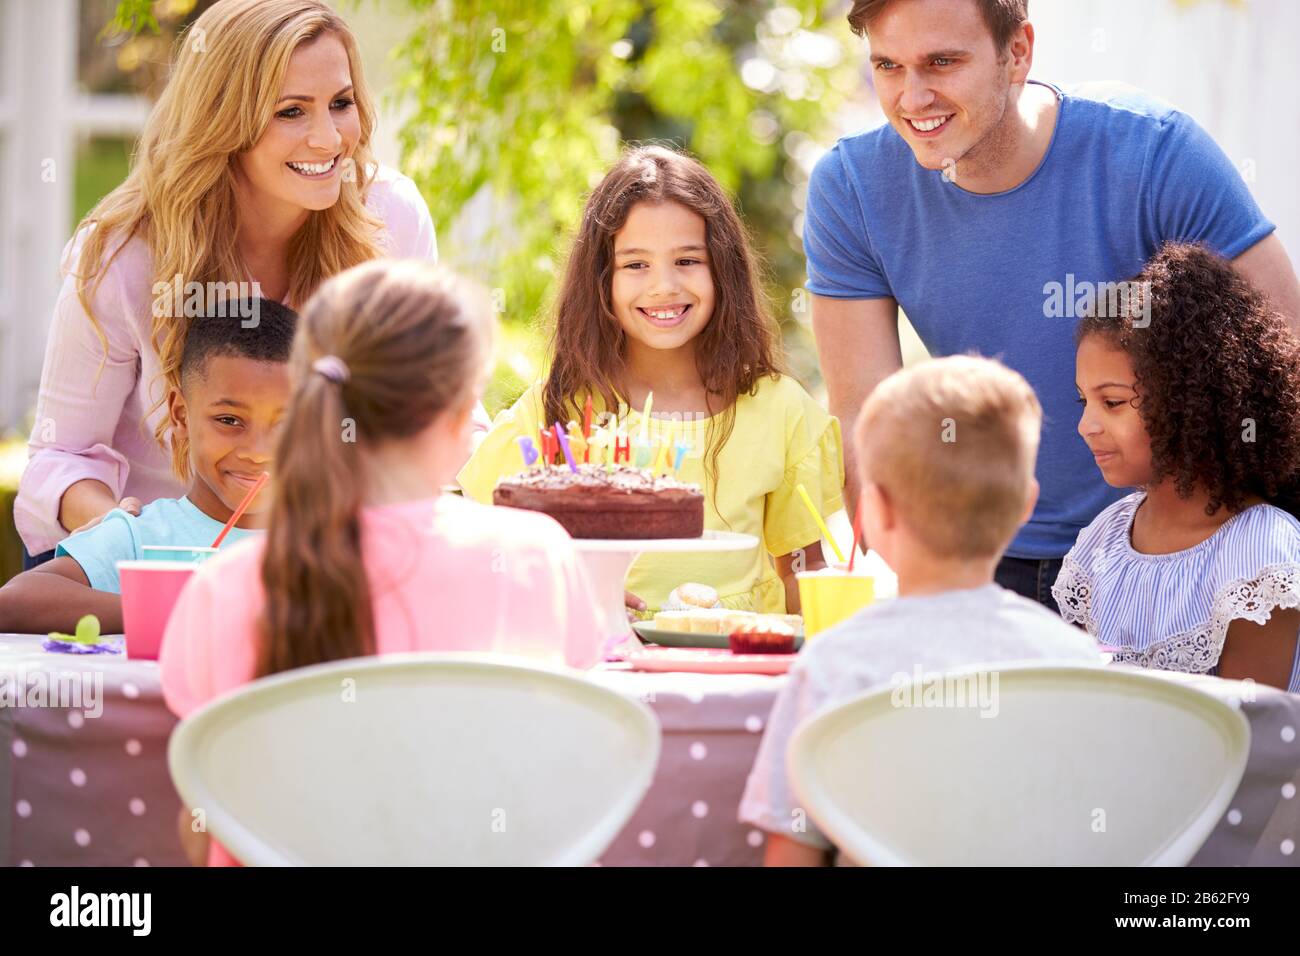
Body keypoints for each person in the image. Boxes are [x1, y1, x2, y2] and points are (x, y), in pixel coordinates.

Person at [807, 0, 1300, 609]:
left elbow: (1282, 352)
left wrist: (1228, 547)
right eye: (887, 64)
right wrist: (914, 575)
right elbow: (861, 409)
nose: (912, 98)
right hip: (980, 559)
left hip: (1171, 552)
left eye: (941, 62)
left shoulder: (1154, 152)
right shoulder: (851, 187)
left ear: (1016, 53)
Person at [12, 0, 487, 568]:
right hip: (151, 562)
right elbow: (61, 455)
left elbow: (442, 415)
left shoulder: (391, 218)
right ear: (224, 121)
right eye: (290, 112)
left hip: (311, 563)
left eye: (341, 104)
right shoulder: (124, 253)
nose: (327, 138)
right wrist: (134, 540)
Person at [160, 261, 606, 865]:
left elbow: (203, 821)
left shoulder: (224, 587)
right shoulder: (539, 557)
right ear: (459, 417)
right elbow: (565, 772)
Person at [739, 355, 1101, 866]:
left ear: (876, 511)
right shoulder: (1074, 659)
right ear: (1025, 505)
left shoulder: (835, 664)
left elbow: (791, 849)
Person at [458, 145, 844, 616]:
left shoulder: (779, 409)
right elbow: (480, 537)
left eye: (687, 261)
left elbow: (801, 569)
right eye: (636, 264)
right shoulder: (561, 408)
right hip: (601, 661)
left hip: (735, 666)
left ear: (724, 270)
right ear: (602, 280)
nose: (663, 286)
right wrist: (560, 583)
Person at [1056, 243, 1300, 692]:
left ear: (1192, 403)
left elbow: (1248, 731)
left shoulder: (1262, 552)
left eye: (1111, 402)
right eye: (1083, 400)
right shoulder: (1102, 540)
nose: (1086, 425)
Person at [0, 298, 294, 633]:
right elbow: (12, 603)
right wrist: (179, 610)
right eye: (229, 420)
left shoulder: (330, 544)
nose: (258, 452)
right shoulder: (143, 535)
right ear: (180, 415)